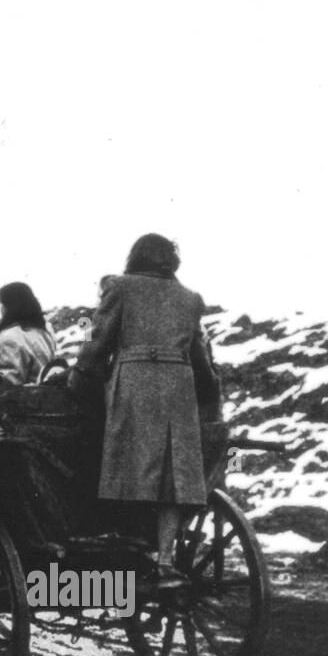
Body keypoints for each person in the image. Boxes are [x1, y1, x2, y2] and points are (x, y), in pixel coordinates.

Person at [69, 233, 220, 573]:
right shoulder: (190, 298)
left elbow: (98, 340)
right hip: (178, 389)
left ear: (136, 257)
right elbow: (199, 355)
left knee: (127, 464)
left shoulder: (121, 287)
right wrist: (210, 391)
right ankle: (165, 557)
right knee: (171, 477)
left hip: (136, 384)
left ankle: (124, 548)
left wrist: (80, 378)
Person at [0, 282, 58, 386]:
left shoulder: (8, 338)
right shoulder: (43, 330)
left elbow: (10, 383)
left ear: (7, 306)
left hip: (27, 399)